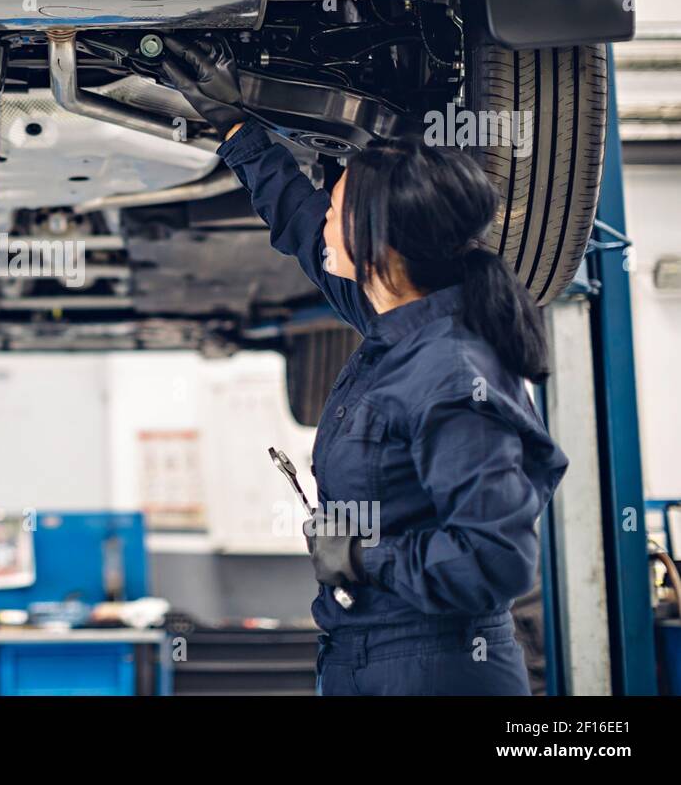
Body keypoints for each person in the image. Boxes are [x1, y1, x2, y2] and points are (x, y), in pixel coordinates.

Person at [162, 35, 568, 695]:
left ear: (377, 240)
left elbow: (499, 560)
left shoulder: (452, 373)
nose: (325, 220)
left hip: (435, 666)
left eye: (339, 207)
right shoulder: (397, 329)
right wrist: (234, 121)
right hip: (371, 652)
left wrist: (361, 553)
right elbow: (297, 223)